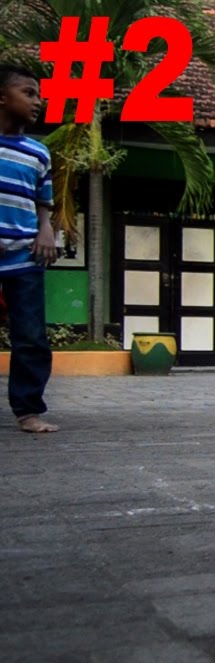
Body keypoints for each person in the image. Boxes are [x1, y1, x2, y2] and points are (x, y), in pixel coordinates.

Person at [0, 65, 58, 433]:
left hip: (24, 257)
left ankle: (28, 410)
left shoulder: (39, 153)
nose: (38, 101)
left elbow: (44, 204)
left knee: (31, 337)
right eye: (29, 92)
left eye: (38, 94)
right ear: (2, 97)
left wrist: (47, 230)